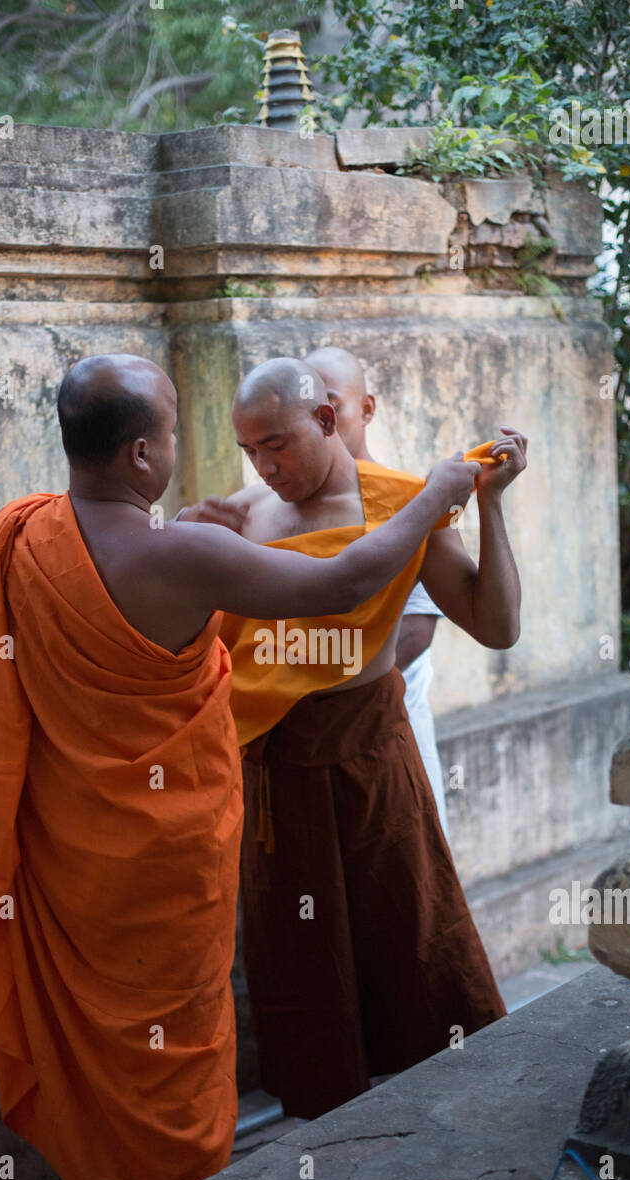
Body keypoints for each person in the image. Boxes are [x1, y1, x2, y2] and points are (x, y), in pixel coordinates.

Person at [0, 353, 476, 1180]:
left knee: (82, 1052)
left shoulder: (21, 537)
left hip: (64, 859)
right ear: (145, 452)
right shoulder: (181, 554)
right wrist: (434, 498)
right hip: (159, 863)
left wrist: (187, 529)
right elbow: (339, 588)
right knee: (168, 1053)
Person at [179, 356, 524, 1120]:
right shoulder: (244, 518)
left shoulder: (400, 506)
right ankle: (324, 1154)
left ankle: (440, 1130)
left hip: (372, 759)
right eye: (251, 451)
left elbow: (497, 626)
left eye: (279, 444)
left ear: (329, 422)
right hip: (276, 776)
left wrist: (490, 507)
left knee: (415, 939)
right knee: (302, 967)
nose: (266, 467)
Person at [305, 346, 450, 838]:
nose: (321, 423)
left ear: (367, 408)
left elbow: (414, 633)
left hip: (392, 722)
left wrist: (317, 681)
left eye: (332, 407)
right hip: (307, 737)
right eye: (308, 412)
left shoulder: (407, 498)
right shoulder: (281, 505)